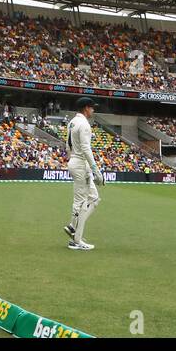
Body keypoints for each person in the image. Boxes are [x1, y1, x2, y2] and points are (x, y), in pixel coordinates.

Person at [63, 96, 103, 251]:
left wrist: (71, 159)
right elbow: (86, 148)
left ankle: (73, 227)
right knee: (81, 202)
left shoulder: (72, 122)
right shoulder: (84, 124)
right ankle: (76, 240)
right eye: (92, 107)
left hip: (75, 160)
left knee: (94, 198)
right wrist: (95, 169)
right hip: (81, 163)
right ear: (86, 108)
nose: (93, 110)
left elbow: (67, 145)